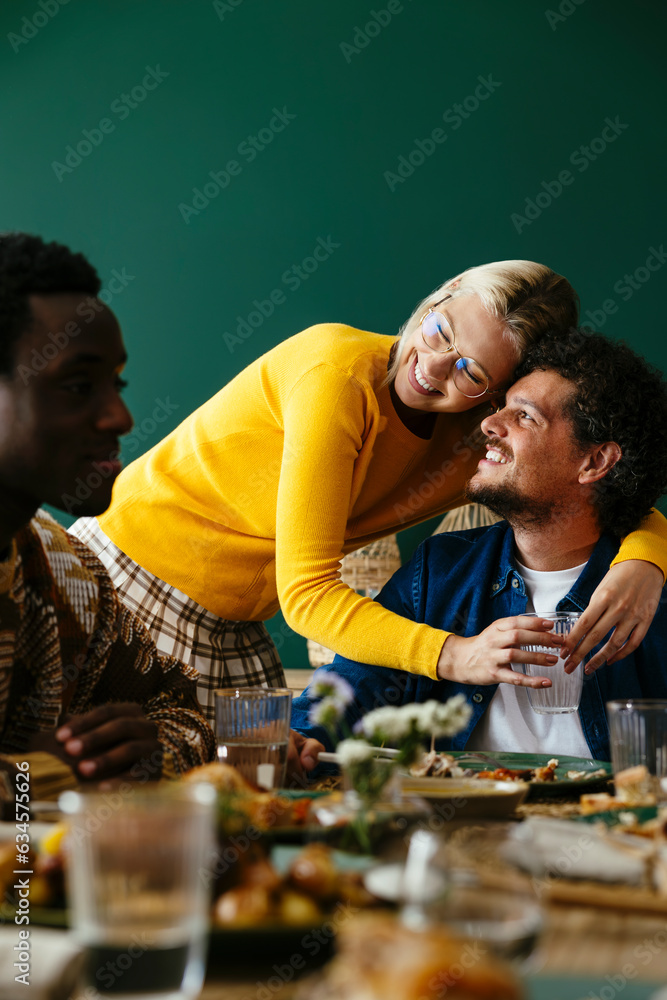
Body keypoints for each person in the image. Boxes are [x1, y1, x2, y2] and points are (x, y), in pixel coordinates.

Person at [70, 262, 667, 723]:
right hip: (128, 576)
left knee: (248, 798)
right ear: (443, 291)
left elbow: (593, 486)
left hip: (232, 621)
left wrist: (644, 561)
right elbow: (306, 595)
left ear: (496, 395)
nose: (431, 368)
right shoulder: (336, 375)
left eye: (471, 372)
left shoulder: (477, 445)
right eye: (439, 329)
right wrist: (455, 655)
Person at [291, 329, 667, 762]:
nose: (489, 423)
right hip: (471, 824)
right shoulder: (442, 568)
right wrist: (301, 738)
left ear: (594, 462)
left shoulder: (649, 593)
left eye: (525, 416)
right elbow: (350, 689)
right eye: (500, 407)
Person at [0, 232, 220, 797]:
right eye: (78, 385)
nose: (122, 417)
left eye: (115, 384)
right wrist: (38, 778)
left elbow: (186, 711)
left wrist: (148, 753)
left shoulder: (66, 572)